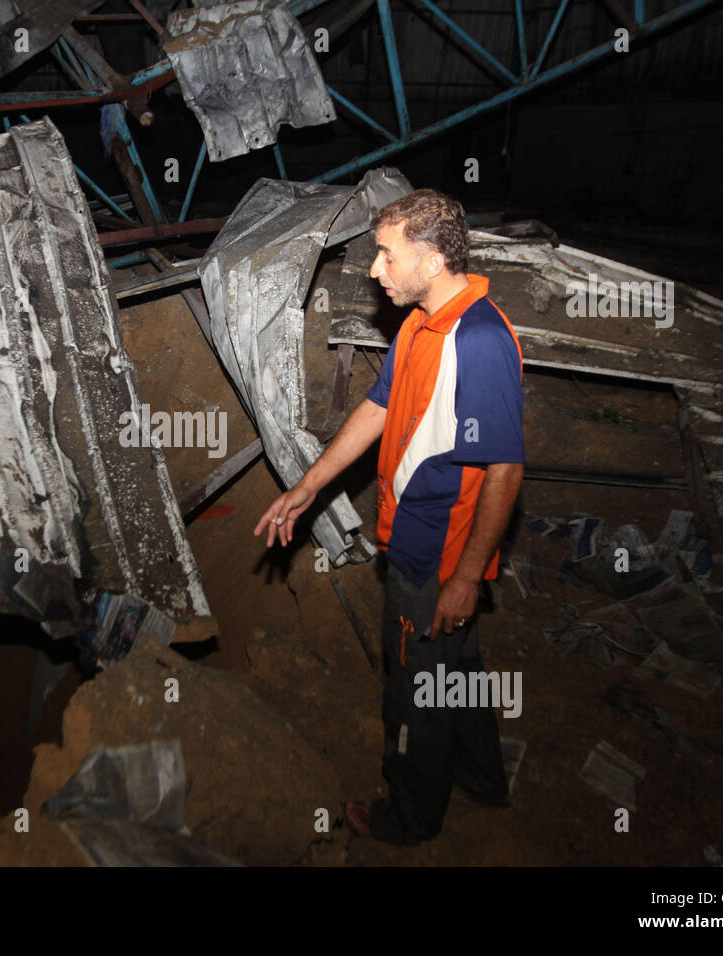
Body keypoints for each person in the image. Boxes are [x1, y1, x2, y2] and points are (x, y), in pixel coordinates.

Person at [253, 188, 524, 846]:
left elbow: (504, 470)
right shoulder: (420, 325)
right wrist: (308, 487)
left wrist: (462, 578)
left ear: (430, 261)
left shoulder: (477, 340)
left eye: (385, 254)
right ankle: (483, 777)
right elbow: (376, 410)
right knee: (453, 669)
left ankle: (408, 816)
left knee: (413, 693)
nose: (375, 269)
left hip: (432, 558)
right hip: (431, 554)